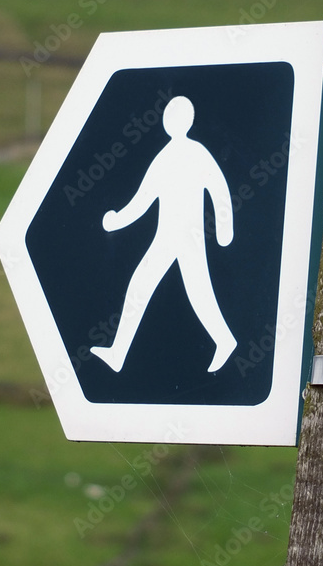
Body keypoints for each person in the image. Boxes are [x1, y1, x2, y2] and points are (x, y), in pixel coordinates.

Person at [90, 96, 237, 373]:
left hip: (187, 237)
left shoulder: (196, 153)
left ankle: (225, 341)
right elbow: (143, 198)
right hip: (167, 237)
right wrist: (116, 221)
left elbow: (219, 188)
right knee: (144, 287)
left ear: (186, 121)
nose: (170, 121)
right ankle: (118, 353)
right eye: (168, 116)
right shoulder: (165, 157)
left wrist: (225, 229)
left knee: (195, 292)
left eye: (175, 116)